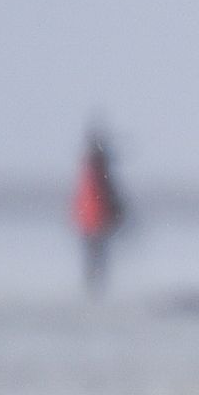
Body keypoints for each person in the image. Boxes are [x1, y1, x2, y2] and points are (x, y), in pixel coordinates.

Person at [72, 125, 128, 297]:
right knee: (97, 255)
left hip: (91, 220)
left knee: (93, 254)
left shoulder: (90, 170)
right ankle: (94, 288)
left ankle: (93, 287)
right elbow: (105, 196)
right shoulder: (97, 171)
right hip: (96, 220)